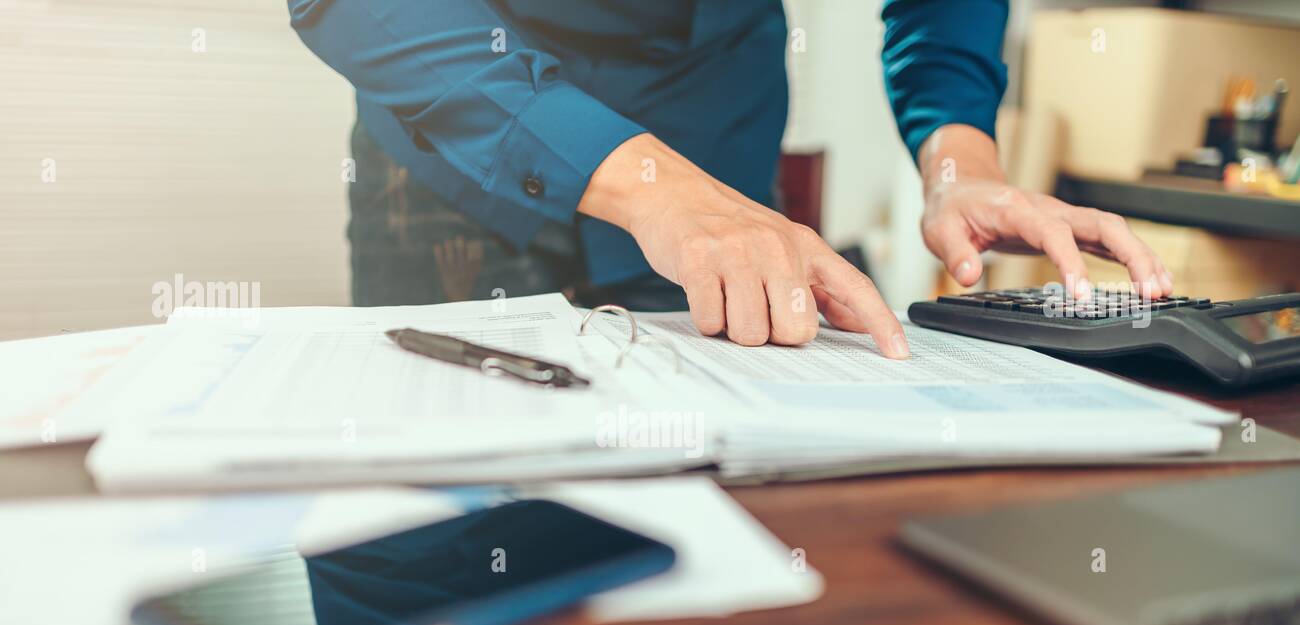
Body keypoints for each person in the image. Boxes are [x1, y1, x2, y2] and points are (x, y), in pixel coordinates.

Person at [288, 0, 1173, 357]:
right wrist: (650, 185)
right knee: (456, 541)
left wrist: (958, 164)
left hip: (720, 129)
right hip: (464, 138)